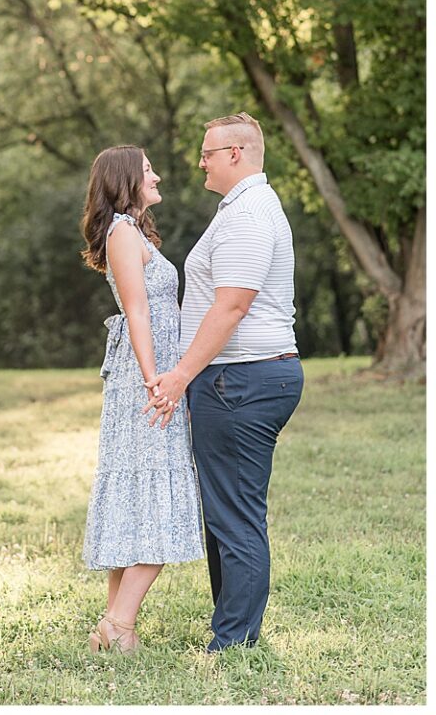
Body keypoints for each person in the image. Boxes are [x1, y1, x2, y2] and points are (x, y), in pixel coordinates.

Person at [146, 113, 302, 652]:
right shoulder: (240, 208)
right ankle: (234, 630)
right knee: (226, 512)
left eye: (207, 153)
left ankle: (234, 642)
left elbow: (232, 306)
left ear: (235, 154)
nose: (200, 163)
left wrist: (181, 375)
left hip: (242, 379)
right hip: (235, 379)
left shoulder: (250, 213)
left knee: (234, 515)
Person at [79, 146, 205, 653]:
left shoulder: (132, 232)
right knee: (158, 508)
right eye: (148, 170)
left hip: (151, 377)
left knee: (140, 503)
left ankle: (113, 631)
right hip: (146, 382)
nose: (157, 177)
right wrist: (158, 382)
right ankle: (118, 625)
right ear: (126, 179)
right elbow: (138, 312)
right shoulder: (123, 234)